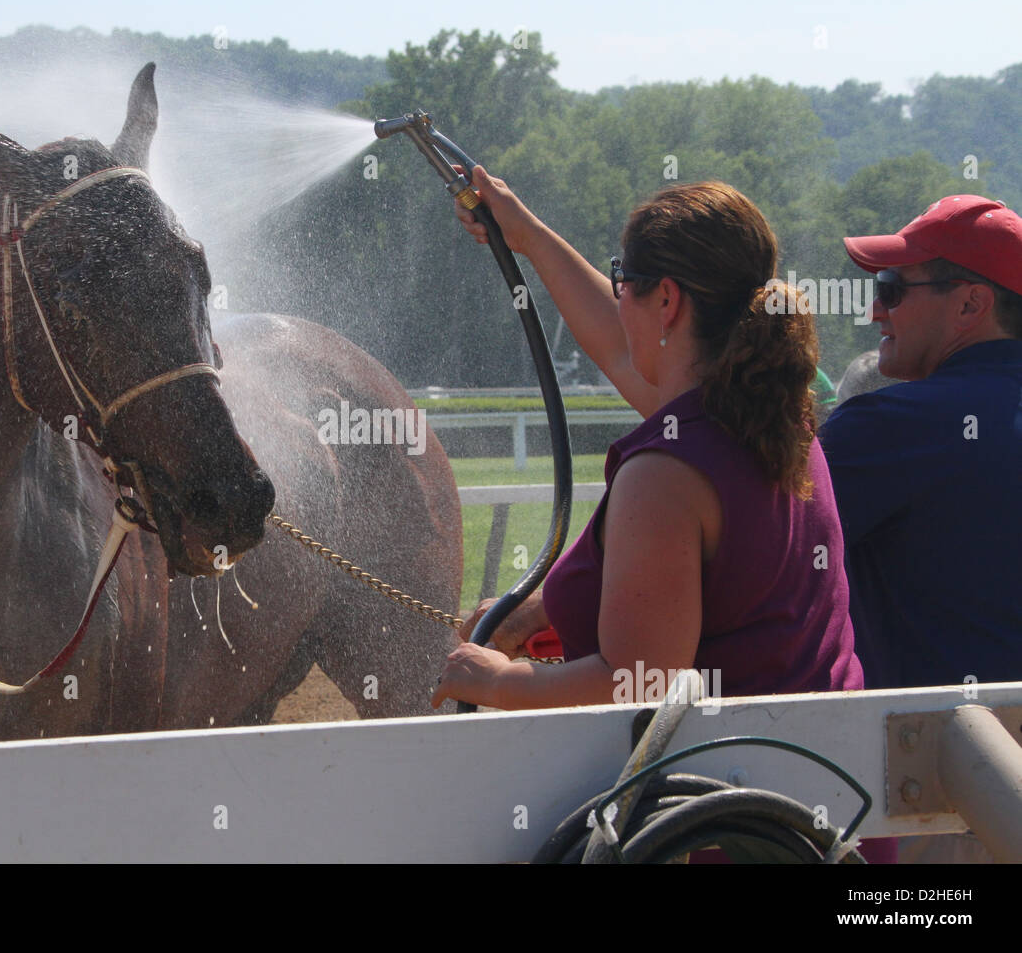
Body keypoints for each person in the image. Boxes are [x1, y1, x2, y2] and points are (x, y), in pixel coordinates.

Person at [430, 171, 863, 715]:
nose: (617, 296)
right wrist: (528, 235)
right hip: (822, 763)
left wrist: (498, 681)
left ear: (667, 301)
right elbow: (616, 348)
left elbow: (640, 681)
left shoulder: (665, 475)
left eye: (623, 279)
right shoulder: (776, 418)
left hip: (719, 780)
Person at [817, 196, 1022, 864]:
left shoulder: (892, 424)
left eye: (892, 288)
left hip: (952, 805)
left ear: (970, 305)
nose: (876, 310)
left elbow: (725, 522)